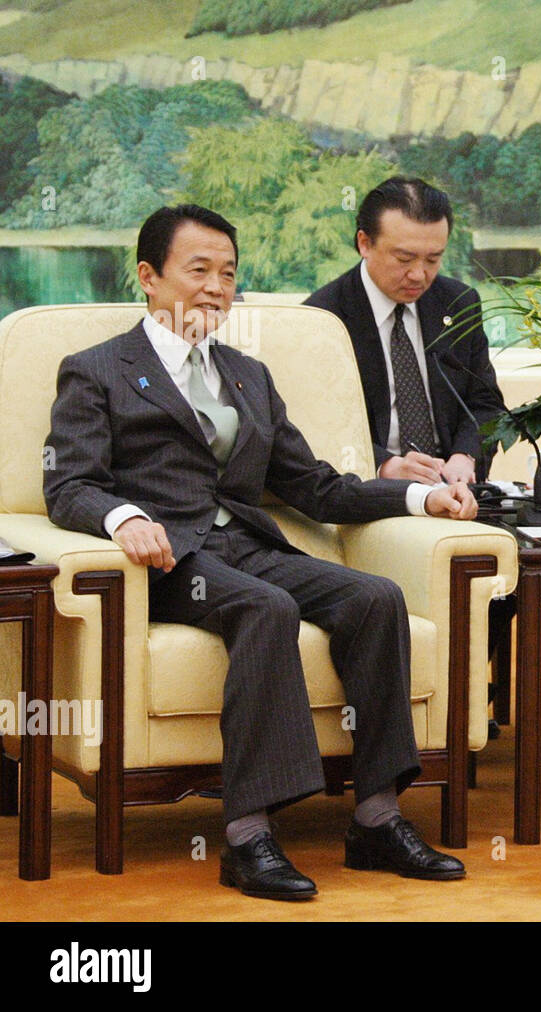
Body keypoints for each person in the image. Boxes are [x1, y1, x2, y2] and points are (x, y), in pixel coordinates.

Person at [44, 204, 481, 900]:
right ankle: (248, 837)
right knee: (266, 607)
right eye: (199, 270)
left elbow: (312, 487)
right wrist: (124, 516)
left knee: (374, 598)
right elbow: (68, 483)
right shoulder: (98, 371)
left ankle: (375, 817)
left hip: (247, 544)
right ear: (149, 277)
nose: (217, 287)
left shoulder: (247, 374)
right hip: (166, 562)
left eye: (228, 273)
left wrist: (417, 499)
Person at [305, 177, 504, 485]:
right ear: (364, 243)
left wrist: (466, 457)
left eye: (433, 259)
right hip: (369, 493)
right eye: (404, 259)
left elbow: (485, 403)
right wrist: (383, 466)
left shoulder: (458, 303)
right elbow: (315, 423)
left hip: (452, 489)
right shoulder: (323, 316)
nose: (418, 275)